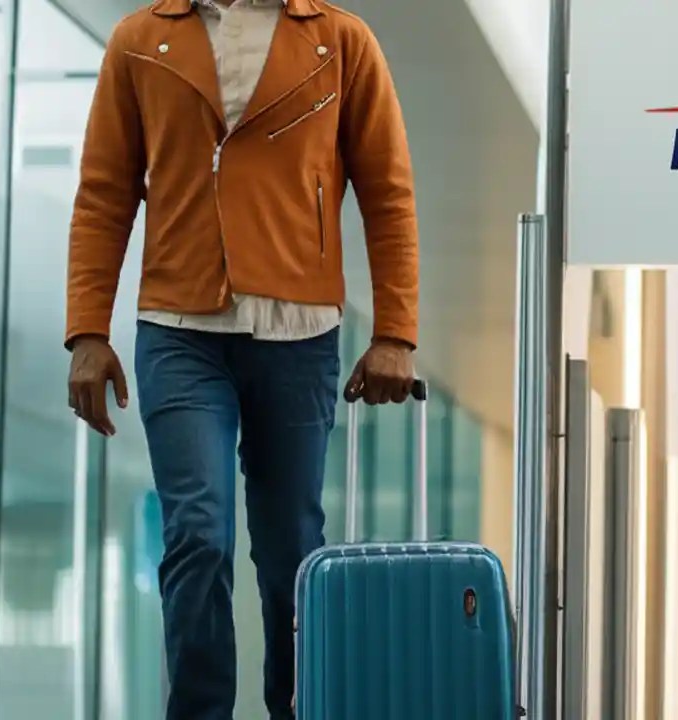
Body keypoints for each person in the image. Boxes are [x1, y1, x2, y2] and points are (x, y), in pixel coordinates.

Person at [63, 0, 419, 717]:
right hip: (179, 330)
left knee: (293, 553)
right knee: (197, 533)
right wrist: (87, 332)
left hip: (300, 335)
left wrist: (395, 334)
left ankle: (298, 707)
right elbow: (103, 194)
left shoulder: (342, 41)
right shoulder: (140, 40)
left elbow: (388, 193)